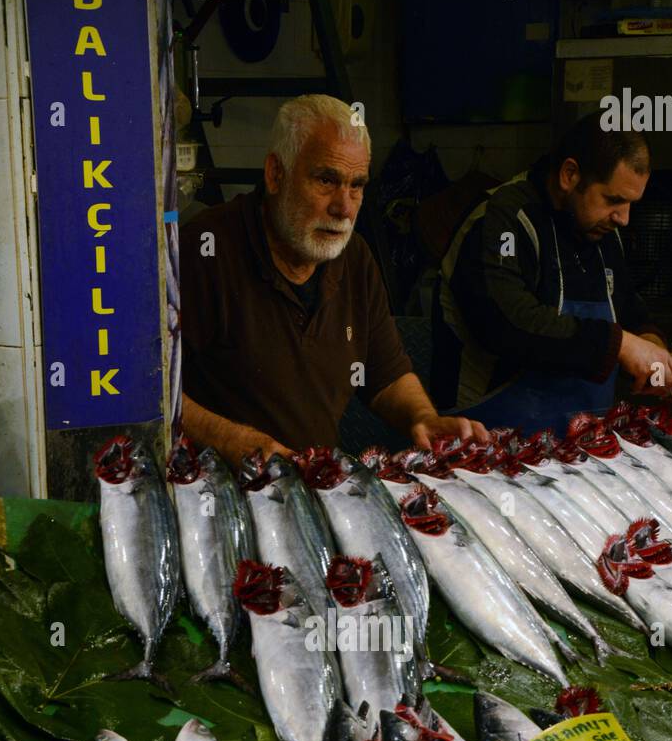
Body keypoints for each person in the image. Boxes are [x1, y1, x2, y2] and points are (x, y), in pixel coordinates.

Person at [179, 94, 488, 466]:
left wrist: (424, 418)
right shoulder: (206, 250)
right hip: (217, 491)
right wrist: (232, 440)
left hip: (315, 486)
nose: (344, 207)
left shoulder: (354, 257)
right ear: (276, 174)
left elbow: (385, 376)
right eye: (327, 180)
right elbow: (153, 392)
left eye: (356, 185)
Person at [432, 111, 672, 436]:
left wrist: (652, 350)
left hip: (578, 446)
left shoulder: (602, 231)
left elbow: (628, 309)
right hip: (485, 442)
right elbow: (510, 324)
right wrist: (622, 346)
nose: (624, 219)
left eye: (631, 204)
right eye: (613, 199)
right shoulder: (502, 221)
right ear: (570, 175)